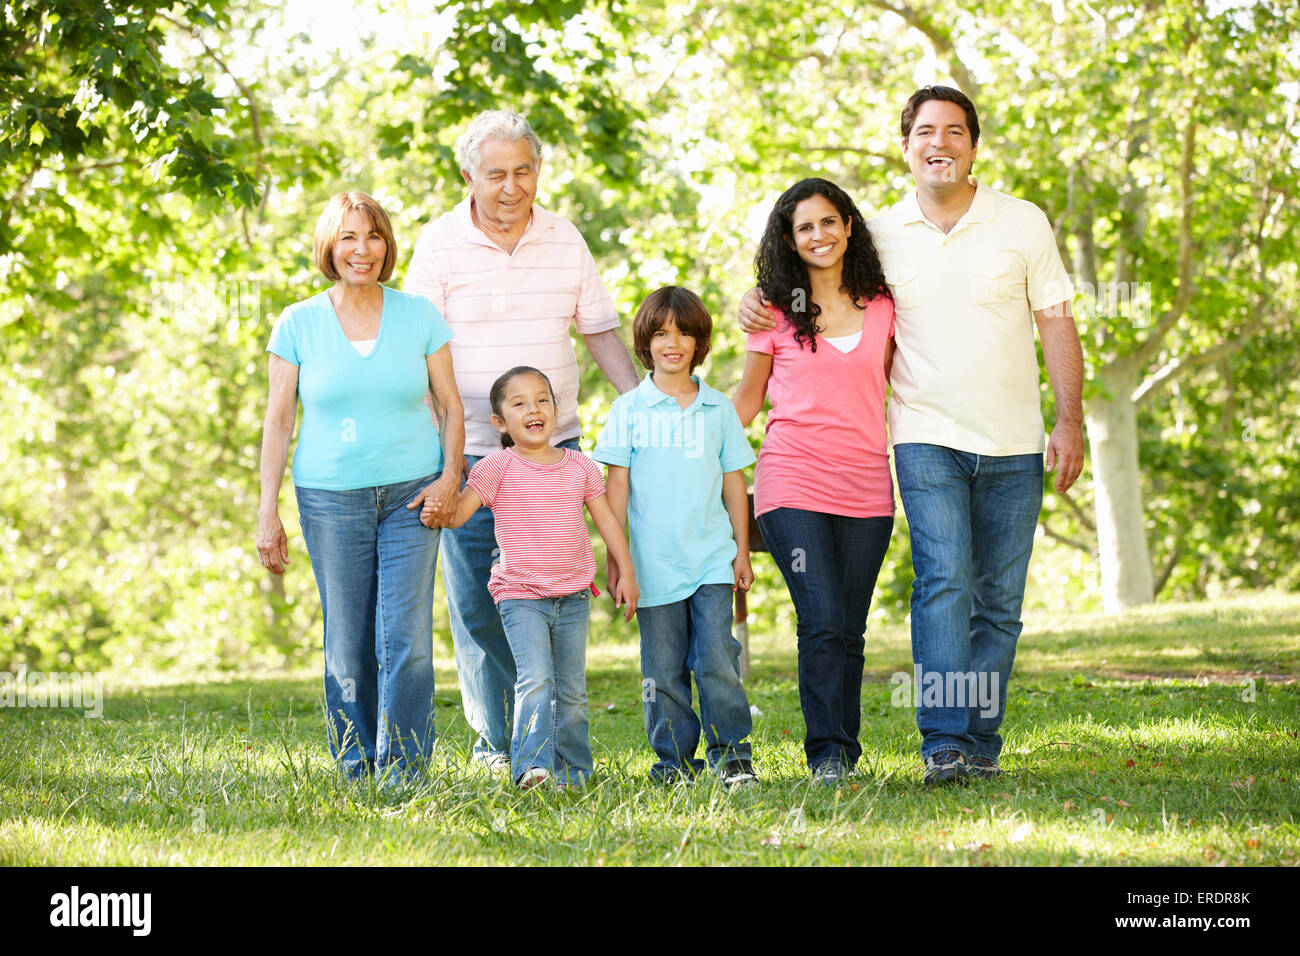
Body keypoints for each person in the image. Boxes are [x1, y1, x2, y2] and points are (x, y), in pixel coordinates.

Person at [741, 86, 1085, 786]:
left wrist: (1069, 420)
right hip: (923, 436)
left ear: (974, 144)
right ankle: (944, 743)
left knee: (999, 601)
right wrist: (760, 298)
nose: (940, 143)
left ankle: (980, 740)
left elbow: (1056, 320)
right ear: (905, 147)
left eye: (955, 131)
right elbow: (814, 285)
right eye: (925, 131)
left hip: (1014, 438)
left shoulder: (1021, 223)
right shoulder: (884, 233)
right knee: (943, 581)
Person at [404, 110, 639, 774]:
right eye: (497, 174)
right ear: (467, 175)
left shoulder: (565, 239)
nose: (512, 187)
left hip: (552, 455)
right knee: (480, 602)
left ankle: (551, 743)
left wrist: (644, 407)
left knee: (552, 598)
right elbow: (420, 350)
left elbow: (598, 333)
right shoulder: (438, 244)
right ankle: (496, 742)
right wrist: (443, 454)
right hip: (470, 452)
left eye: (525, 171)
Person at [257, 189, 465, 783]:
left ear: (387, 245)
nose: (362, 249)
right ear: (330, 246)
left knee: (406, 638)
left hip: (413, 494)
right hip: (329, 498)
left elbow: (451, 407)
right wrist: (266, 511)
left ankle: (404, 766)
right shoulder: (297, 322)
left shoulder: (419, 315)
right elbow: (278, 420)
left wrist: (451, 478)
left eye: (373, 236)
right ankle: (355, 761)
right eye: (349, 236)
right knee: (347, 639)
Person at [732, 179, 896, 785]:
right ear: (789, 239)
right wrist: (679, 435)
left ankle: (843, 753)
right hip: (791, 481)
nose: (819, 235)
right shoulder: (772, 310)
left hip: (868, 487)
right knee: (823, 617)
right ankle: (825, 755)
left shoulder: (884, 305)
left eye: (829, 222)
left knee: (849, 628)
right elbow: (747, 400)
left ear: (848, 226)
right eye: (805, 227)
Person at [430, 366, 637, 789]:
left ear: (557, 410)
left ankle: (574, 772)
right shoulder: (495, 468)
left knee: (573, 690)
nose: (534, 409)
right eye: (519, 403)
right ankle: (532, 767)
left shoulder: (580, 466)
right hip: (520, 595)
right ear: (500, 423)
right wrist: (438, 506)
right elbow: (458, 516)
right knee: (536, 679)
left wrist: (626, 572)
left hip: (574, 595)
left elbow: (609, 523)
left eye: (542, 399)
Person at [593, 286, 758, 787]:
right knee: (662, 672)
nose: (673, 343)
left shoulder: (719, 409)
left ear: (698, 342)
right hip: (651, 565)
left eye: (684, 333)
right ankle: (674, 764)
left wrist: (742, 552)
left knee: (716, 659)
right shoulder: (628, 410)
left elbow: (734, 483)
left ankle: (732, 756)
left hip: (711, 558)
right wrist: (619, 563)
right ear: (645, 342)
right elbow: (614, 488)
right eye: (662, 333)